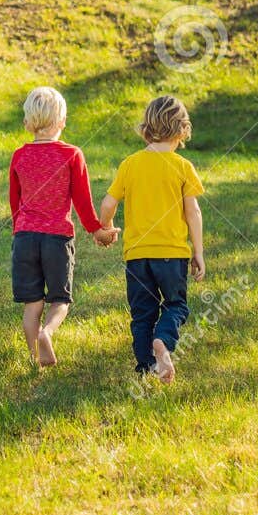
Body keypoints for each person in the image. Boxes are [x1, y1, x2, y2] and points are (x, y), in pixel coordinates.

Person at [97, 95, 205, 383]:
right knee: (176, 305)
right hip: (172, 254)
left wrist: (106, 227)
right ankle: (163, 342)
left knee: (142, 313)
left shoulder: (130, 164)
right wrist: (198, 251)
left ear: (146, 127)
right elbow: (193, 212)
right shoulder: (183, 167)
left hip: (137, 255)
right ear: (183, 129)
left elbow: (108, 204)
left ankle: (147, 366)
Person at [9, 87, 118, 367]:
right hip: (56, 238)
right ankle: (48, 332)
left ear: (28, 122)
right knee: (60, 300)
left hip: (25, 238)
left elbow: (14, 201)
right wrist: (98, 231)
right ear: (62, 122)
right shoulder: (72, 154)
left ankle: (35, 361)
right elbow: (82, 203)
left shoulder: (19, 156)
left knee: (32, 305)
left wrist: (18, 232)